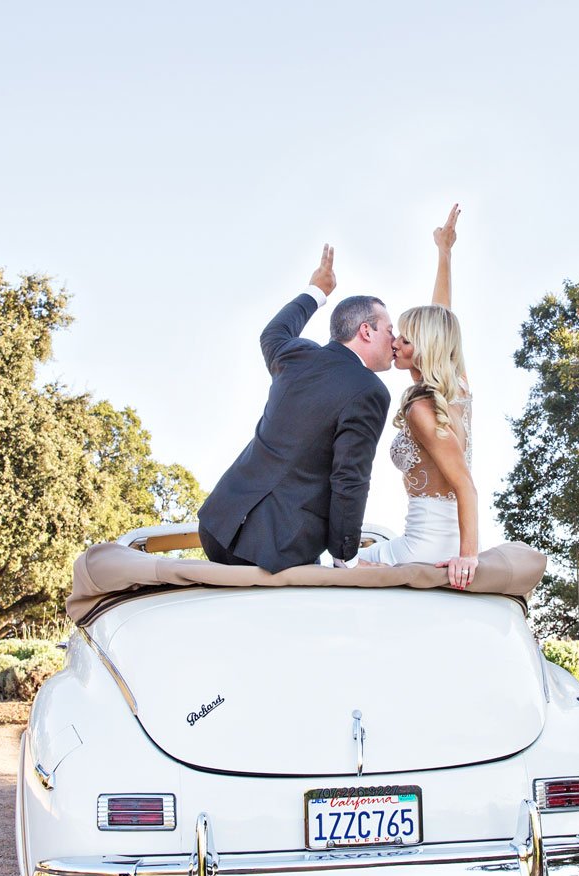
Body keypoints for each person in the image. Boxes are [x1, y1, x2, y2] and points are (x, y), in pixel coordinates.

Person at [198, 246, 392, 574]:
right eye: (389, 330)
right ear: (366, 331)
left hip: (219, 523)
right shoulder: (369, 391)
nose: (395, 339)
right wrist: (346, 556)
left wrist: (316, 290)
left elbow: (273, 332)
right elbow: (349, 478)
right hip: (279, 549)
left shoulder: (296, 355)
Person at [357, 205, 479, 589]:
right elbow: (441, 316)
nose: (394, 343)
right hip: (438, 537)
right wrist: (444, 253)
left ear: (423, 348)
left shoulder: (422, 407)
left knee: (334, 560)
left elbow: (465, 484)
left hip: (423, 548)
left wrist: (469, 556)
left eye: (404, 339)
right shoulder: (457, 388)